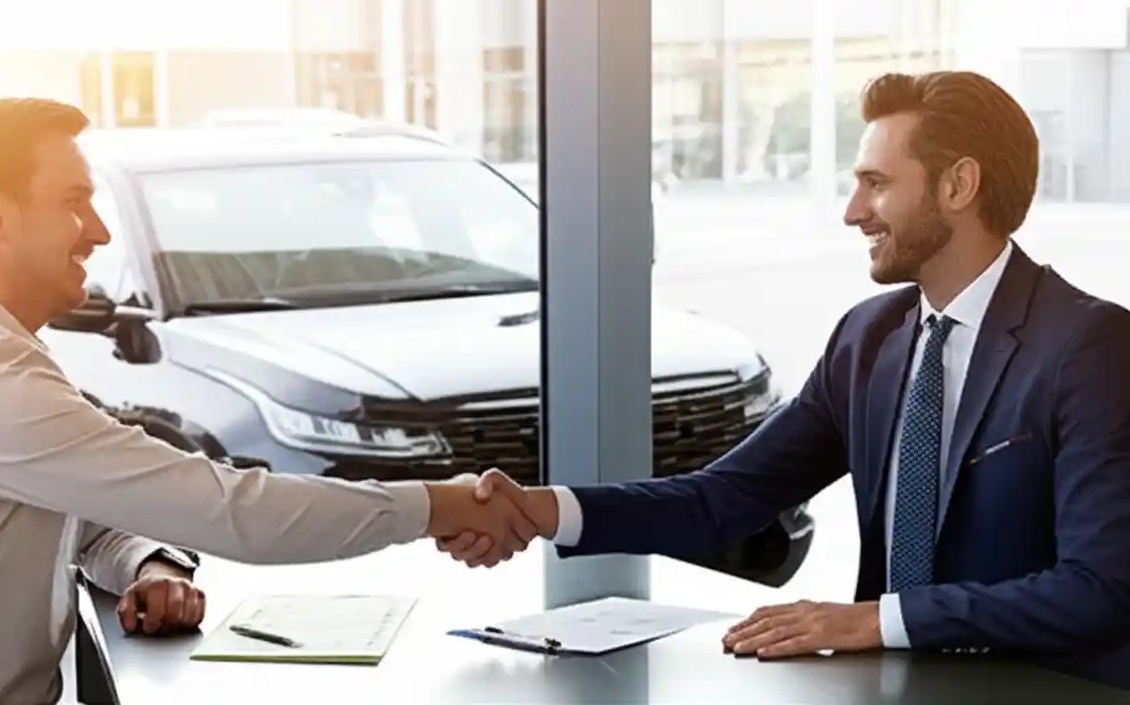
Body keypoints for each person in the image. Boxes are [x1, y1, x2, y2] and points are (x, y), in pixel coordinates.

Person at [441, 70, 1130, 690]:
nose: (853, 211)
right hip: (893, 688)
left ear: (958, 185)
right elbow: (727, 496)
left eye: (877, 183)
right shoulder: (869, 339)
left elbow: (1100, 589)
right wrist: (543, 510)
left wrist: (872, 622)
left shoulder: (1089, 347)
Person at [0, 99, 535, 704]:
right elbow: (228, 509)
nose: (98, 231)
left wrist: (150, 560)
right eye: (71, 202)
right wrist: (439, 504)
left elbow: (85, 517)